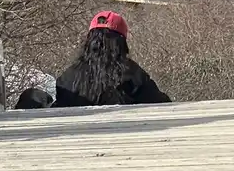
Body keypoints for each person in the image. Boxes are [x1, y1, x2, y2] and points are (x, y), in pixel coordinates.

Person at [15, 11, 171, 109]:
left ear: (89, 40)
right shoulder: (133, 74)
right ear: (122, 42)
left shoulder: (68, 78)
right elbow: (162, 105)